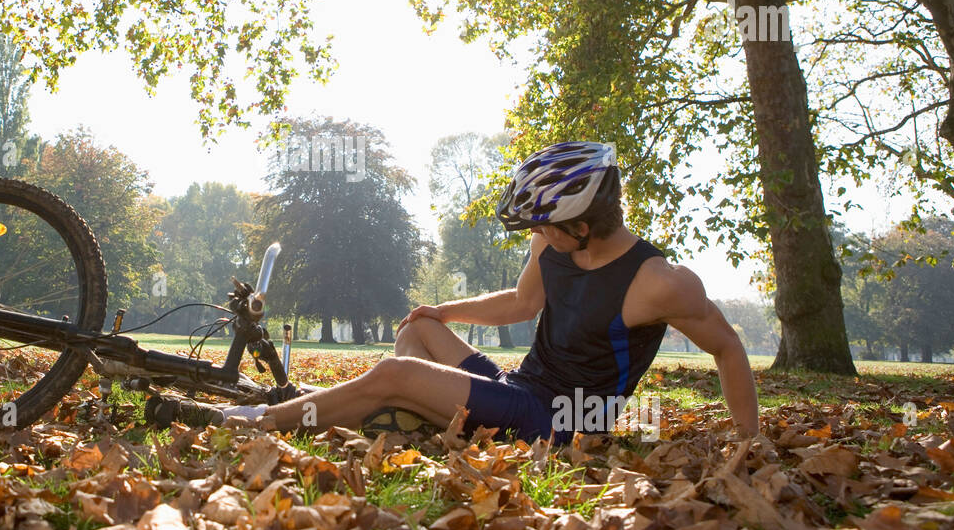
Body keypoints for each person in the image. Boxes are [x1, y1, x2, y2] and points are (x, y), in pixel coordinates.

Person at [210, 141, 759, 443]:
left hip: (562, 420)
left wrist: (747, 440)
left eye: (544, 226)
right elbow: (521, 303)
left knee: (395, 374)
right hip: (521, 385)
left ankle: (265, 422)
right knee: (419, 328)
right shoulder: (557, 247)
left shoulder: (661, 283)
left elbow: (729, 349)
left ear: (583, 224)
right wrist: (441, 310)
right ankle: (414, 417)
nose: (537, 238)